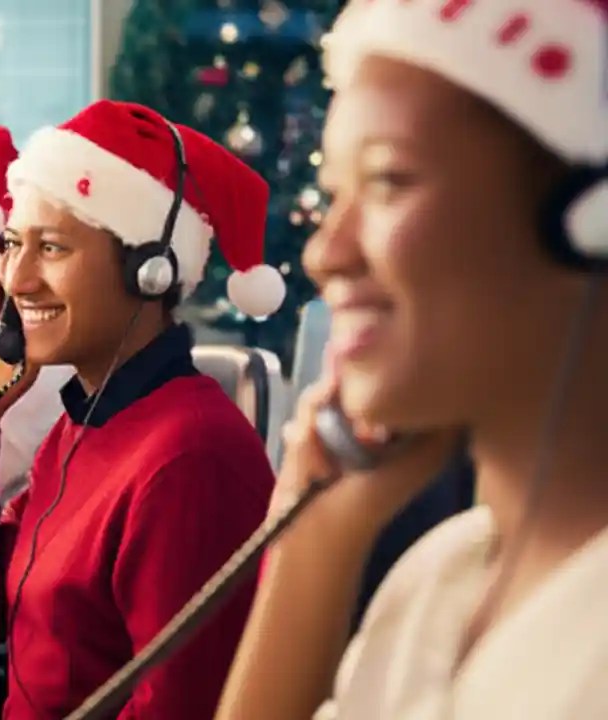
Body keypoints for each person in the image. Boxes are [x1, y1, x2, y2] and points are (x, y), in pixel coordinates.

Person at [215, 2, 608, 719]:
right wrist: (316, 540)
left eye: (388, 181)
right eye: (335, 195)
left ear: (590, 221)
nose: (324, 253)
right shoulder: (437, 580)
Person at [0, 99, 284, 718]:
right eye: (13, 244)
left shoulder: (190, 460)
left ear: (149, 271)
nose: (17, 279)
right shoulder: (83, 423)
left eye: (53, 248)